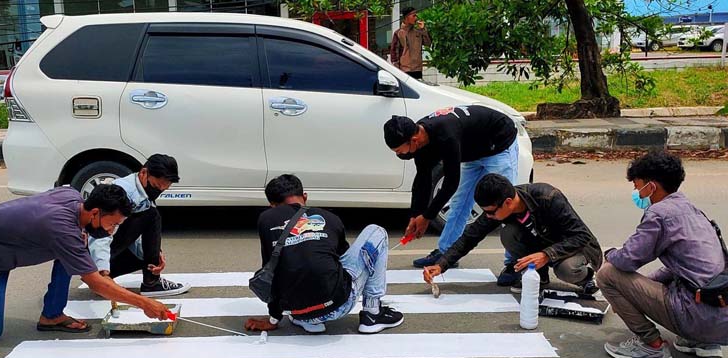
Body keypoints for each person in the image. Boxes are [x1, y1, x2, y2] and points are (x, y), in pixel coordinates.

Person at [0, 184, 169, 344]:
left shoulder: (73, 198)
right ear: (95, 212)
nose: (111, 230)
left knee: (77, 249)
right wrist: (144, 303)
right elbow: (94, 282)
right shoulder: (62, 229)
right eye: (111, 223)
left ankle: (52, 316)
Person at [599, 151, 727, 358]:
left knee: (607, 274)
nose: (636, 192)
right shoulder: (694, 212)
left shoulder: (659, 214)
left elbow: (626, 260)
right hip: (720, 318)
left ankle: (652, 346)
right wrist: (641, 290)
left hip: (695, 316)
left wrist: (609, 254)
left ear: (651, 186)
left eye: (637, 186)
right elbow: (680, 269)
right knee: (681, 279)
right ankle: (701, 343)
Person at [244, 174, 404, 334]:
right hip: (336, 306)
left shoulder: (266, 219)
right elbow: (342, 260)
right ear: (305, 197)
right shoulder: (330, 218)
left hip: (296, 311)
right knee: (376, 231)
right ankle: (372, 313)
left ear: (272, 205)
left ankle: (310, 322)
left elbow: (270, 269)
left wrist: (273, 319)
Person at [383, 105, 521, 286]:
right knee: (460, 202)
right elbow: (422, 180)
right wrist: (415, 215)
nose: (400, 155)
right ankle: (447, 253)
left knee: (505, 206)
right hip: (472, 152)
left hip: (498, 144)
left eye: (400, 151)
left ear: (414, 140)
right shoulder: (422, 141)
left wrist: (428, 217)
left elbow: (450, 183)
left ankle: (514, 264)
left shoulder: (446, 134)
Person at [422, 174, 601, 296]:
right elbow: (471, 236)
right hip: (544, 245)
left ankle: (587, 279)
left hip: (577, 249)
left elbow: (581, 236)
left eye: (490, 212)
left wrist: (546, 255)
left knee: (566, 270)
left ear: (507, 202)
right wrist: (441, 264)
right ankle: (539, 277)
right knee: (509, 233)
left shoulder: (548, 197)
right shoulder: (500, 204)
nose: (488, 216)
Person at [88, 154, 190, 297]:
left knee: (147, 247)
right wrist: (102, 272)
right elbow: (99, 234)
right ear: (143, 173)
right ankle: (151, 283)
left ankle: (151, 279)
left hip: (104, 253)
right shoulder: (124, 193)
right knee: (152, 215)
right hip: (91, 254)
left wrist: (153, 257)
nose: (157, 191)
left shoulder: (142, 191)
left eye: (162, 190)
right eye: (155, 186)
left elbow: (131, 233)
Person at [389, 6, 431, 79]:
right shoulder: (399, 33)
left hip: (417, 69)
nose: (416, 18)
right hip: (404, 70)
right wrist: (397, 68)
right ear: (406, 17)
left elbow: (428, 44)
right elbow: (394, 52)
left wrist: (423, 30)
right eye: (414, 16)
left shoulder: (418, 32)